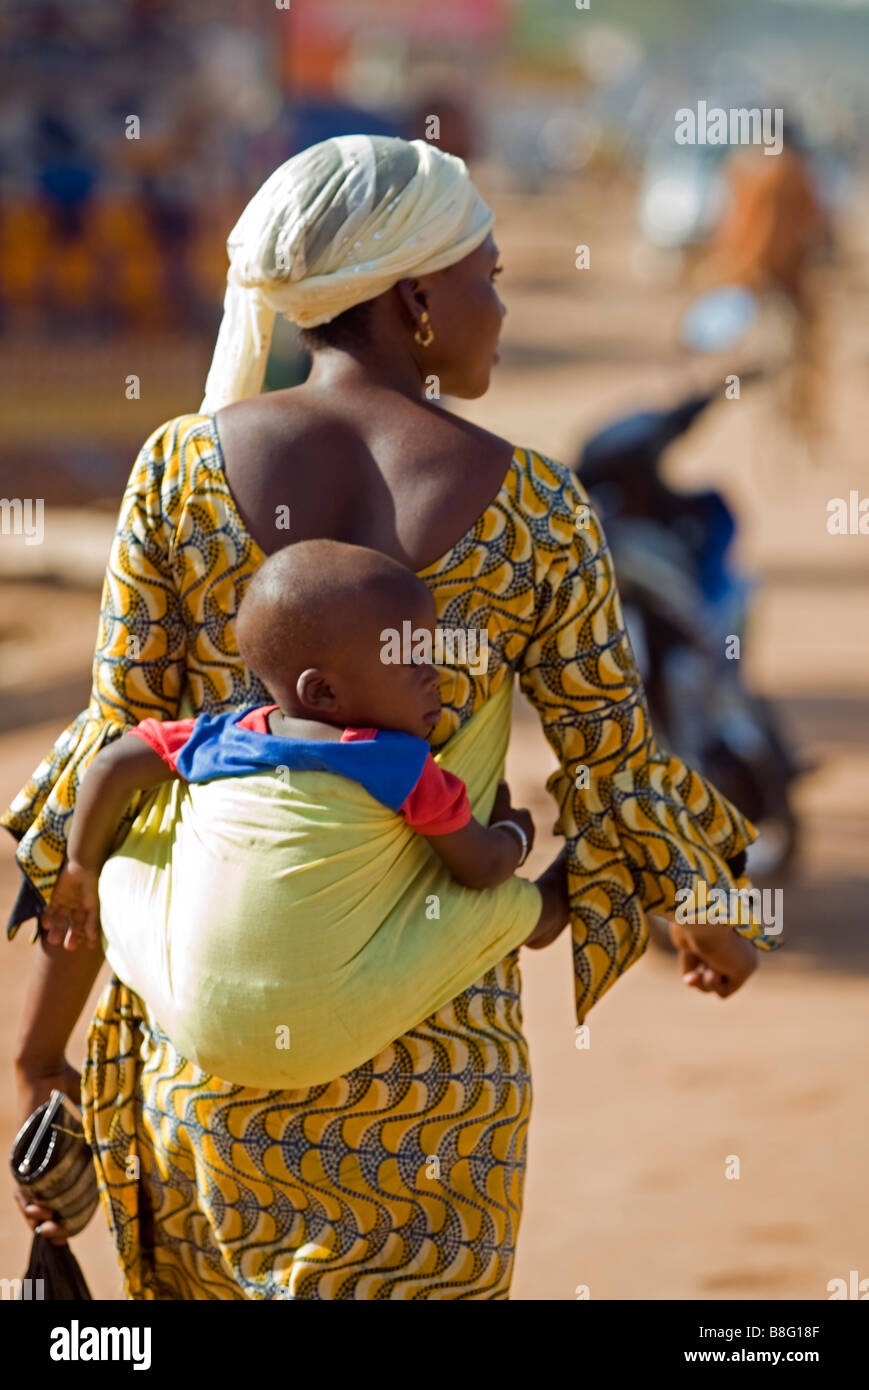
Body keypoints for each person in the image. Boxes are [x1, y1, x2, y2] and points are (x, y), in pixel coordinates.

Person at [8, 135, 776, 1300]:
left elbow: (114, 786)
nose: (499, 304)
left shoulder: (177, 472)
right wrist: (704, 905)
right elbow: (615, 767)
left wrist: (36, 1054)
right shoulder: (535, 511)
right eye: (489, 273)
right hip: (430, 1087)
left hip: (204, 1064)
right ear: (416, 296)